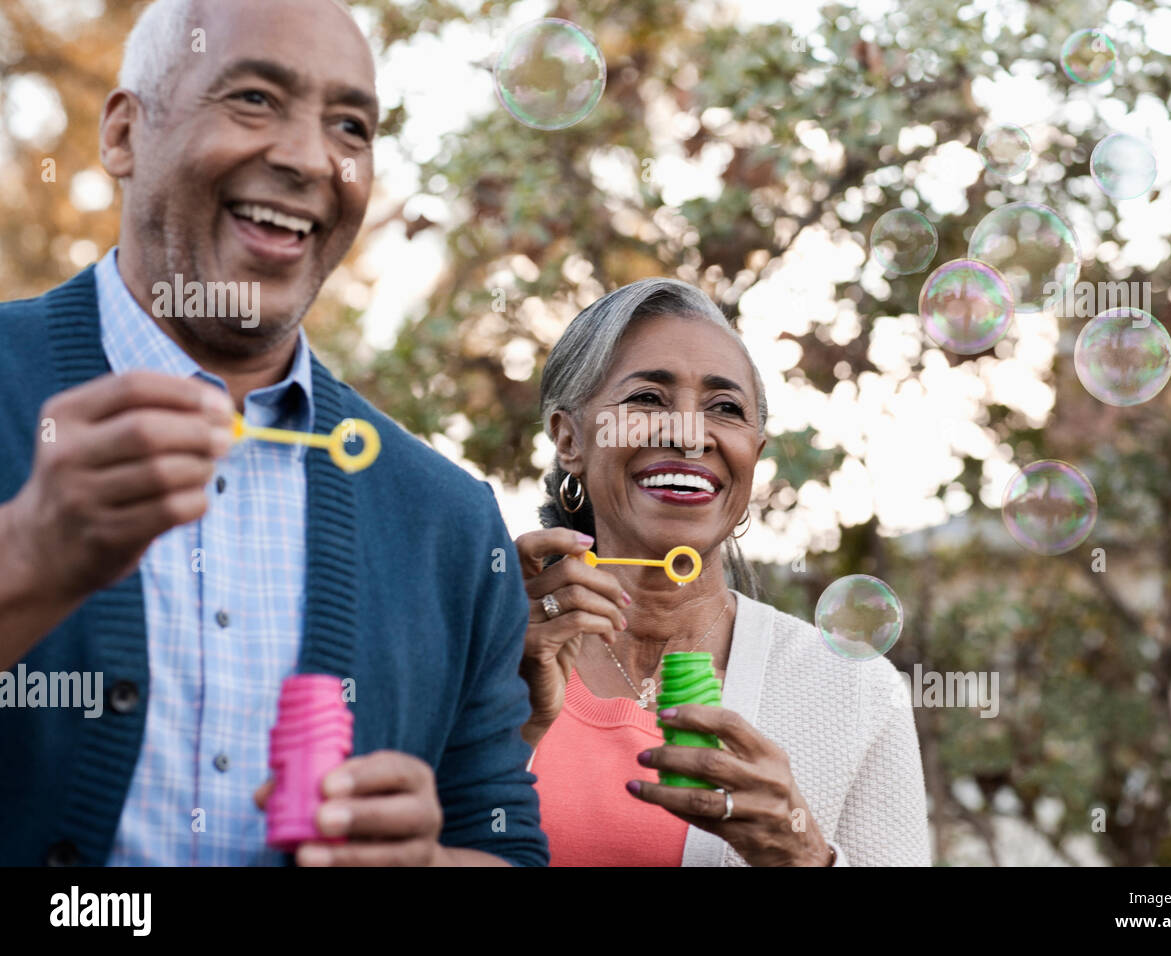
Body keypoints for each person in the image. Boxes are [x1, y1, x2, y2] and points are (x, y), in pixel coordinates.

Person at [0, 0, 545, 867]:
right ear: (123, 133)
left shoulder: (449, 522)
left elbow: (503, 844)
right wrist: (24, 558)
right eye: (254, 98)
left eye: (350, 126)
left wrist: (429, 863)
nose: (308, 157)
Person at [515, 278, 930, 866]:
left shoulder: (854, 692)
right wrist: (508, 722)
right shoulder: (482, 650)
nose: (689, 435)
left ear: (753, 456)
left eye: (725, 409)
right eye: (648, 400)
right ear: (568, 438)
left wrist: (805, 856)